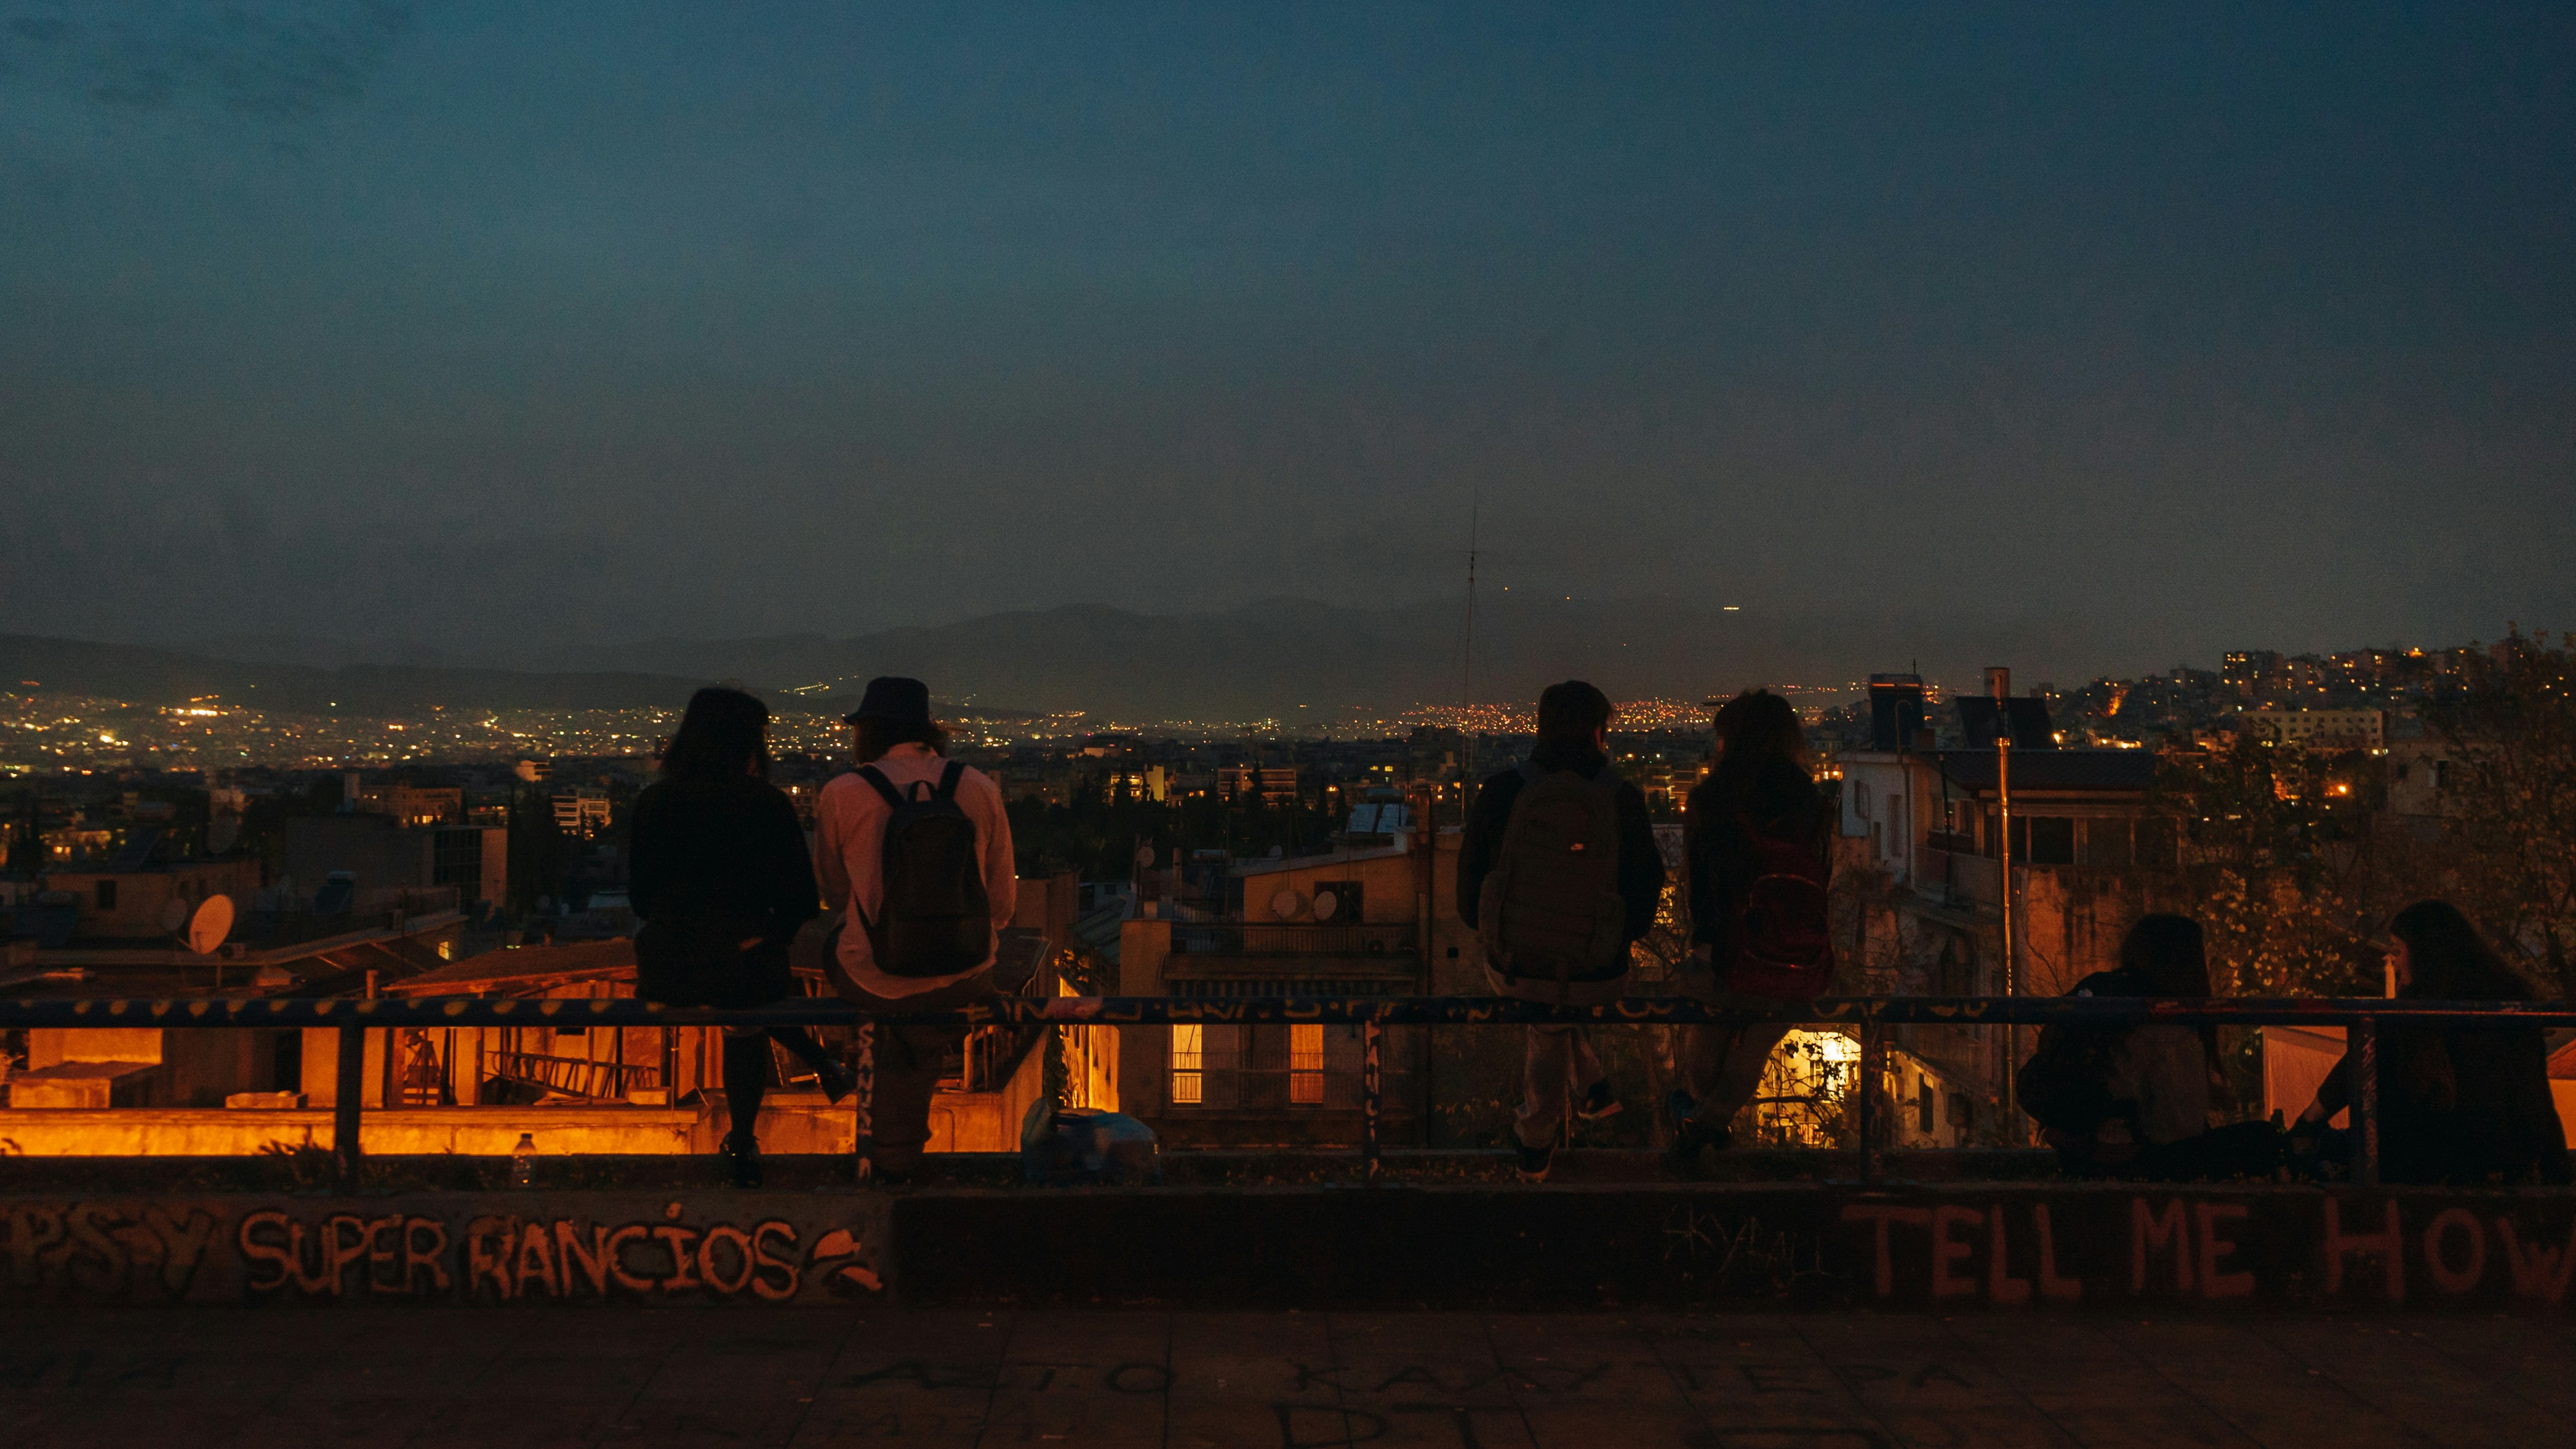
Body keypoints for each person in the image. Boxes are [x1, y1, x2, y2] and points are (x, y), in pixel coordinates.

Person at [631, 686, 852, 1188]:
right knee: (747, 1011)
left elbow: (640, 899)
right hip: (747, 968)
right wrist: (762, 934)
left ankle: (819, 1065)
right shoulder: (766, 804)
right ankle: (745, 1137)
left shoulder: (654, 802)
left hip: (669, 968)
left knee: (743, 1002)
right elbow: (801, 901)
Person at [1457, 680, 1664, 1182]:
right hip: (1600, 972)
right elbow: (1644, 898)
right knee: (1560, 996)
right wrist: (1606, 940)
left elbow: (1468, 904)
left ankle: (1538, 1136)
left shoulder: (1501, 793)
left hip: (1514, 968)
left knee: (1545, 1006)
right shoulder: (1622, 798)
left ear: (1539, 729)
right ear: (1599, 733)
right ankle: (1587, 1090)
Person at [813, 676, 1018, 1182]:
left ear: (868, 732)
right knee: (925, 1016)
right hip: (966, 971)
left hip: (876, 976)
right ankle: (901, 1135)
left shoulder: (842, 792)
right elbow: (1001, 905)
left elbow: (835, 894)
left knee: (841, 953)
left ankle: (889, 1150)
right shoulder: (978, 786)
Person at [2289, 900, 2570, 1186]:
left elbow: (2359, 1063)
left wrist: (2309, 1122)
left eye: (2398, 951)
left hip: (2435, 1166)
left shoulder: (2412, 1017)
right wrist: (2555, 1166)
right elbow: (2536, 1101)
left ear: (2424, 955)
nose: (2395, 963)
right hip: (2511, 1161)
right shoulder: (2512, 1007)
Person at [1671, 689, 1833, 1160]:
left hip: (1721, 953)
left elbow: (1698, 884)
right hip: (1794, 956)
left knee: (1702, 1060)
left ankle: (1702, 1135)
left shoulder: (1711, 801)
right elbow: (1821, 876)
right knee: (1756, 1046)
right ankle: (1705, 1130)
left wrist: (1704, 938)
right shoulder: (1811, 803)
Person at [2019, 914, 2280, 1180]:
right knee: (2263, 1138)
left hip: (2080, 1158)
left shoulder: (2112, 1001)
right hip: (2134, 1163)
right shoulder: (2168, 1024)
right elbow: (2178, 1129)